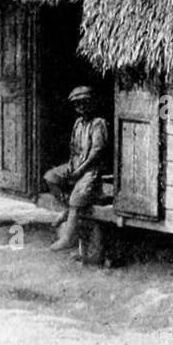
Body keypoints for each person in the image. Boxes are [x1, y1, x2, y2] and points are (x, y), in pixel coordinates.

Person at [44, 86, 108, 254]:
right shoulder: (78, 123)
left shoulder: (98, 124)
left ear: (91, 104)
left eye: (83, 104)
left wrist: (80, 170)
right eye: (77, 105)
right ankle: (68, 210)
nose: (80, 108)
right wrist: (72, 167)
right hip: (76, 165)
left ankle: (67, 238)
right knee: (51, 177)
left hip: (91, 169)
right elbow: (73, 148)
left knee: (77, 198)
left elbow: (96, 152)